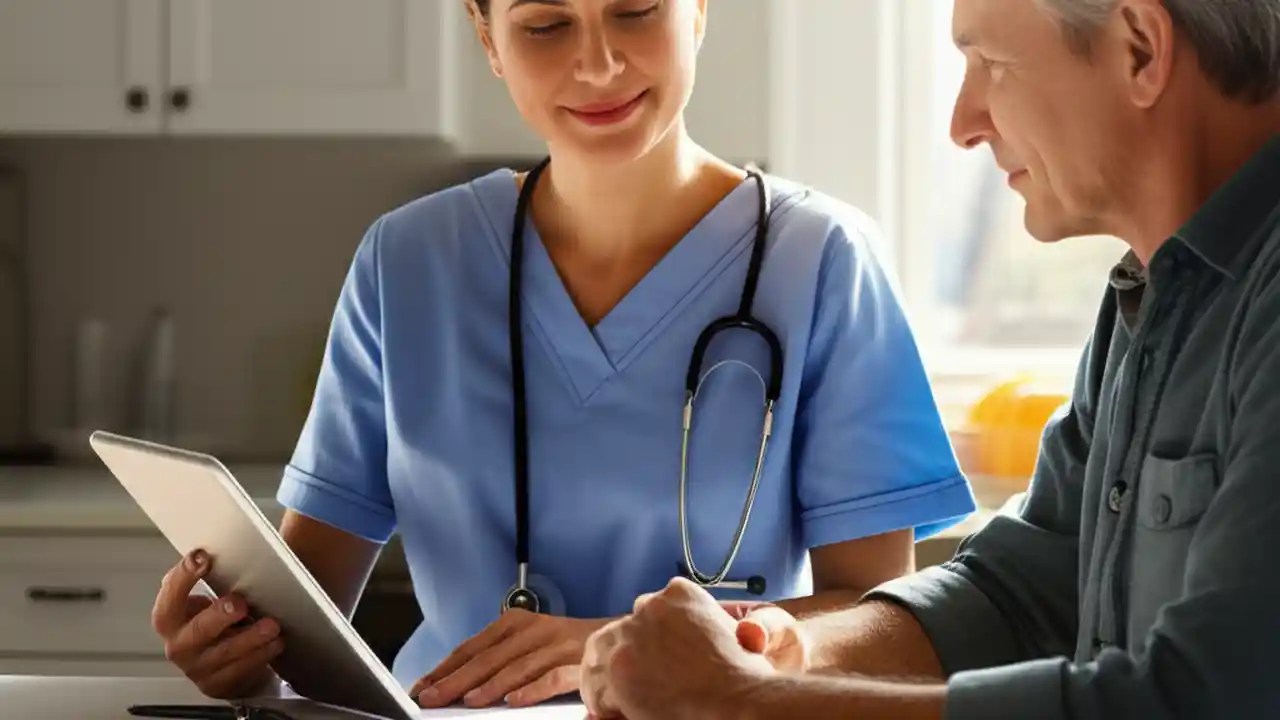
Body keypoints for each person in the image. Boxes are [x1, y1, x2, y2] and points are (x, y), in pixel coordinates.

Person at [147, 0, 976, 709]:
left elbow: (876, 621)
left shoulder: (823, 261)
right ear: (488, 39)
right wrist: (233, 650)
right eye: (546, 25)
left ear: (698, 9)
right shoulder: (408, 262)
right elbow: (299, 624)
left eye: (635, 11)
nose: (599, 63)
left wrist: (618, 647)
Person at [581, 0, 1280, 718]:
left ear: (1140, 50)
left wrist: (744, 701)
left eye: (993, 65)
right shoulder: (1156, 291)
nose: (963, 123)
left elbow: (1205, 700)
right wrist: (788, 647)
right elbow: (1020, 593)